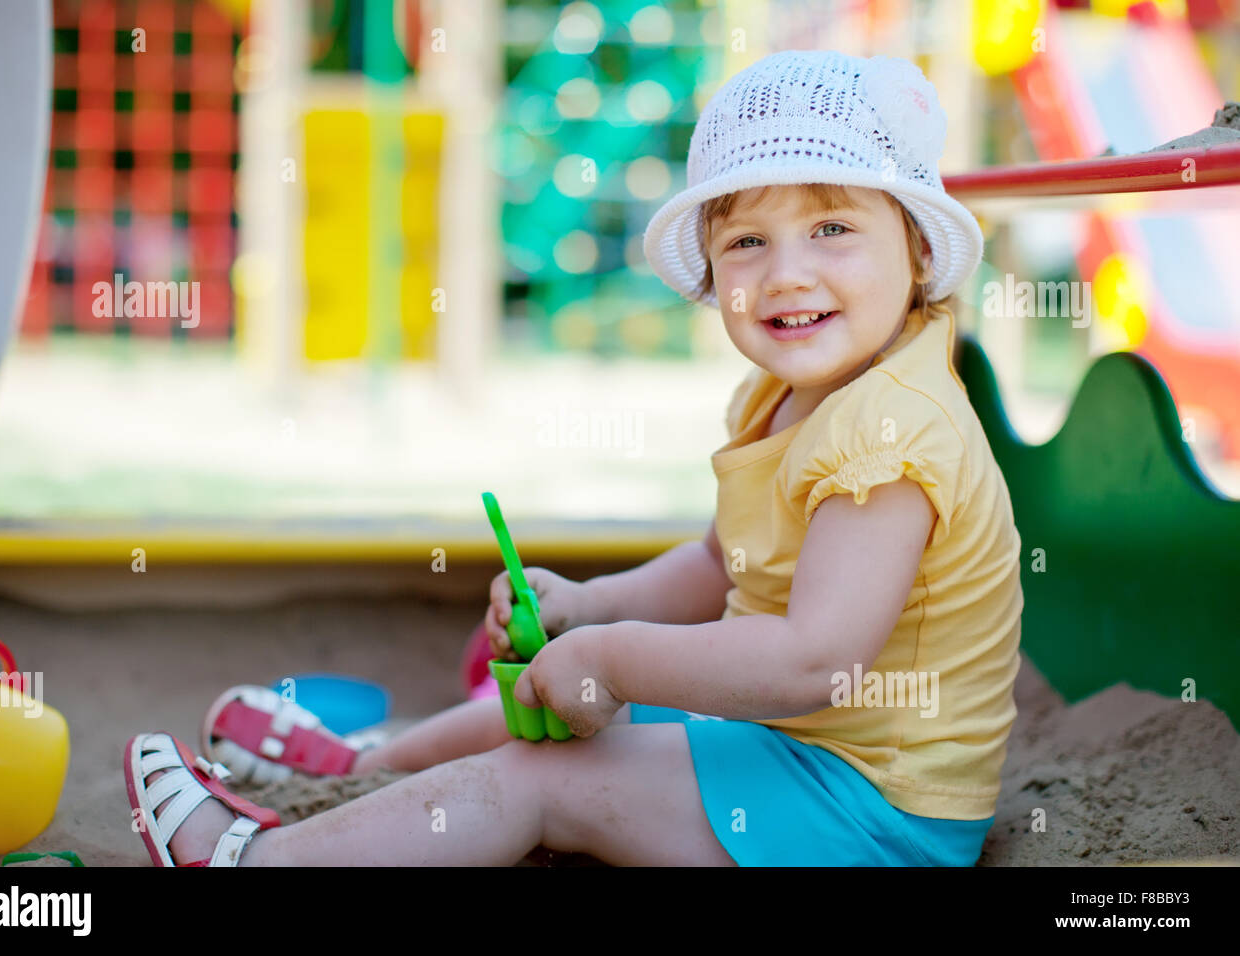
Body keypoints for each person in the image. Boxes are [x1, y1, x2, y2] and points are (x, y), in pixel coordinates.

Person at [122, 49, 1023, 867]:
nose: (786, 272)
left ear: (915, 247)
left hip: (873, 807)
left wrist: (617, 658)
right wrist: (589, 609)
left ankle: (254, 864)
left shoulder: (893, 434)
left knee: (541, 780)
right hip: (797, 743)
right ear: (711, 270)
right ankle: (366, 763)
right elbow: (721, 565)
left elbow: (810, 662)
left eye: (833, 227)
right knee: (544, 721)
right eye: (747, 240)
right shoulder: (787, 395)